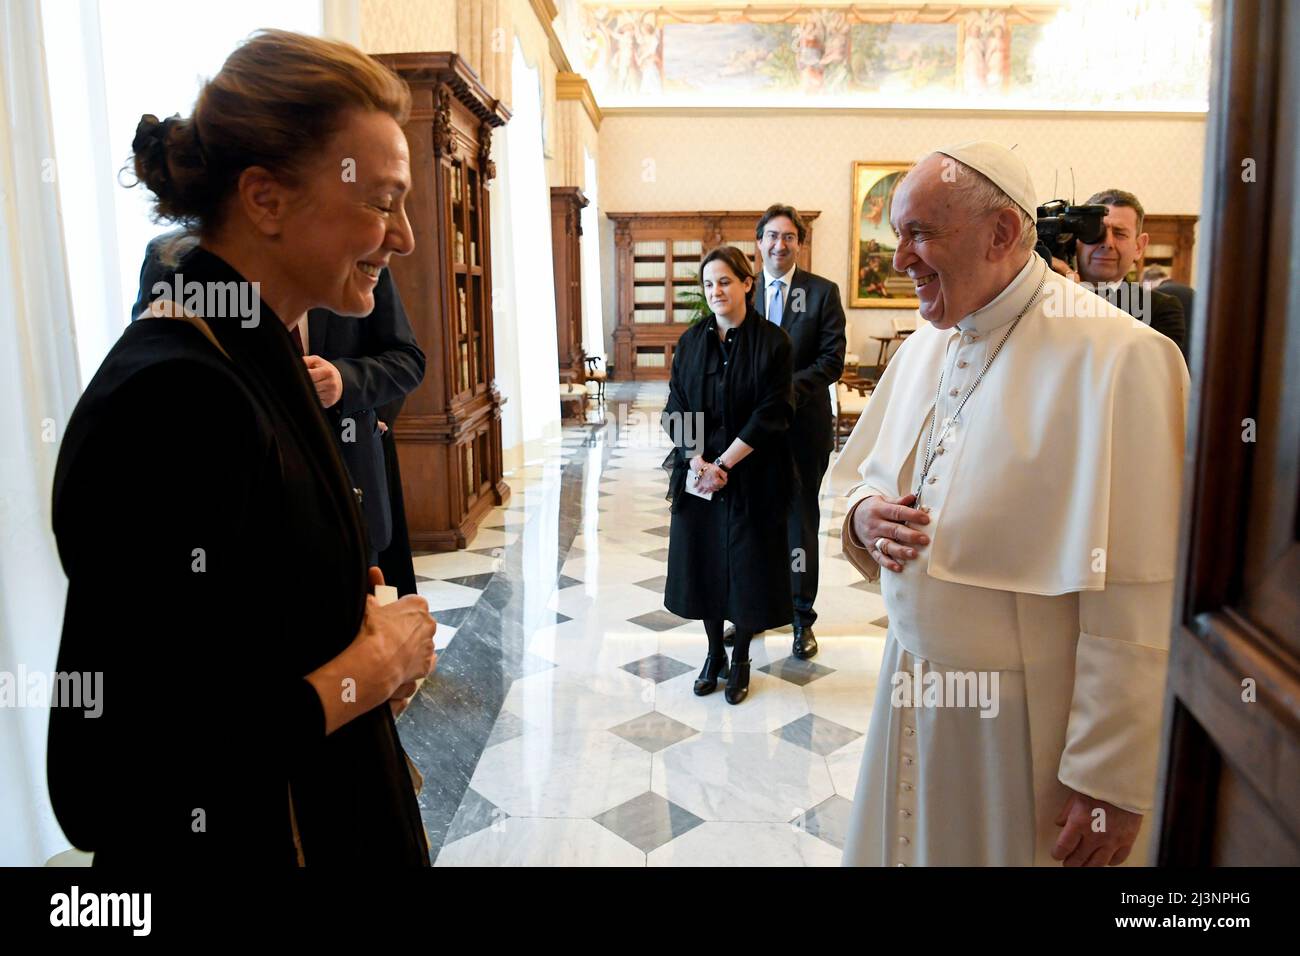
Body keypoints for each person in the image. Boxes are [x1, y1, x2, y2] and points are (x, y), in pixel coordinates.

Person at [49, 30, 436, 865]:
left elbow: (234, 653)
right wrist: (363, 672)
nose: (403, 238)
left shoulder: (256, 354)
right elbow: (110, 777)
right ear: (265, 199)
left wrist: (340, 628)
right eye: (381, 201)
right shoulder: (174, 397)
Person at [833, 142, 1188, 866]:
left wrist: (1111, 779)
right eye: (897, 232)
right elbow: (855, 476)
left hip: (1027, 726)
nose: (900, 257)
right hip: (908, 683)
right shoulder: (927, 344)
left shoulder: (1121, 358)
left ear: (1000, 233)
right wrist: (862, 516)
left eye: (921, 233)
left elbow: (1141, 592)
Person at [133, 233, 426, 570]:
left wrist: (345, 382)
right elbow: (156, 380)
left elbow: (407, 359)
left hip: (351, 491)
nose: (401, 236)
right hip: (235, 507)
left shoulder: (359, 251)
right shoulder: (171, 260)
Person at [661, 246, 795, 705]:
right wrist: (696, 458)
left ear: (746, 284)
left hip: (752, 474)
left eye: (724, 281)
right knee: (704, 565)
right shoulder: (692, 341)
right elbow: (676, 404)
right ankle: (714, 652)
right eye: (708, 284)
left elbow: (771, 412)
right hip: (699, 477)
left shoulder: (774, 343)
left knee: (747, 568)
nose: (716, 291)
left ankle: (740, 659)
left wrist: (725, 464)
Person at [737, 204, 846, 661]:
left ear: (799, 243)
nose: (780, 245)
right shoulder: (742, 294)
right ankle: (754, 613)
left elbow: (831, 361)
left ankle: (802, 620)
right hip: (750, 433)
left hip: (803, 428)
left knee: (800, 523)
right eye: (772, 236)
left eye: (789, 237)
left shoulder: (821, 293)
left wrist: (781, 392)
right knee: (751, 522)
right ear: (759, 243)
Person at [1067, 188, 1188, 358]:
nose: (1107, 243)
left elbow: (1150, 376)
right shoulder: (1050, 296)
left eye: (1119, 233)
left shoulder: (1160, 310)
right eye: (1096, 233)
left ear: (1139, 246)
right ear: (1075, 240)